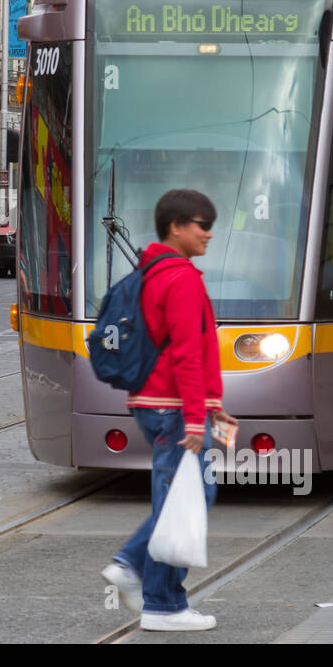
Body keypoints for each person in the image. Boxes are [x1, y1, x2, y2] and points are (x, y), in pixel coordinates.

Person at [100, 189, 238, 632]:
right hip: (172, 408)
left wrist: (212, 407)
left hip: (160, 403)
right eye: (202, 224)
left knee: (186, 494)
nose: (209, 233)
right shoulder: (179, 278)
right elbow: (186, 354)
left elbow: (191, 346)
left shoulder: (155, 272)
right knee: (186, 497)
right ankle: (158, 598)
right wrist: (196, 418)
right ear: (176, 227)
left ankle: (145, 578)